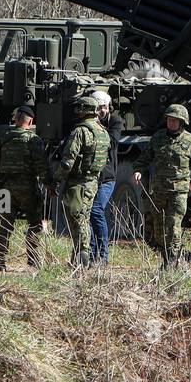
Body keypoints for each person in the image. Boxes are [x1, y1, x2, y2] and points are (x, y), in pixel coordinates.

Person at [133, 103, 191, 269]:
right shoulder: (158, 138)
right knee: (158, 228)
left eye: (175, 120)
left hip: (178, 192)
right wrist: (138, 170)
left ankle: (172, 262)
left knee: (173, 225)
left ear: (182, 122)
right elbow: (145, 157)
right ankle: (165, 256)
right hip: (159, 190)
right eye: (169, 119)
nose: (171, 123)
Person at [0, 105, 48, 271]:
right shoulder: (34, 140)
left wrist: (1, 170)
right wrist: (50, 184)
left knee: (5, 223)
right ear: (31, 121)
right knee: (34, 223)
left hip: (5, 188)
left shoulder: (3, 138)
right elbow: (42, 167)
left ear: (16, 120)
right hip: (28, 189)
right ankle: (33, 261)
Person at [53, 96, 110, 270]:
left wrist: (56, 179)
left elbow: (68, 160)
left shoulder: (80, 131)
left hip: (78, 182)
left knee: (78, 220)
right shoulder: (102, 131)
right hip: (92, 181)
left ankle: (82, 257)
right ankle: (80, 256)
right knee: (83, 217)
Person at [88, 90, 123, 265]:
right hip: (91, 177)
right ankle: (91, 254)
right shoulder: (88, 122)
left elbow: (112, 142)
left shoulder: (115, 121)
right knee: (89, 214)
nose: (103, 111)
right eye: (99, 107)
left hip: (107, 177)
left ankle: (103, 255)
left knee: (96, 210)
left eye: (105, 107)